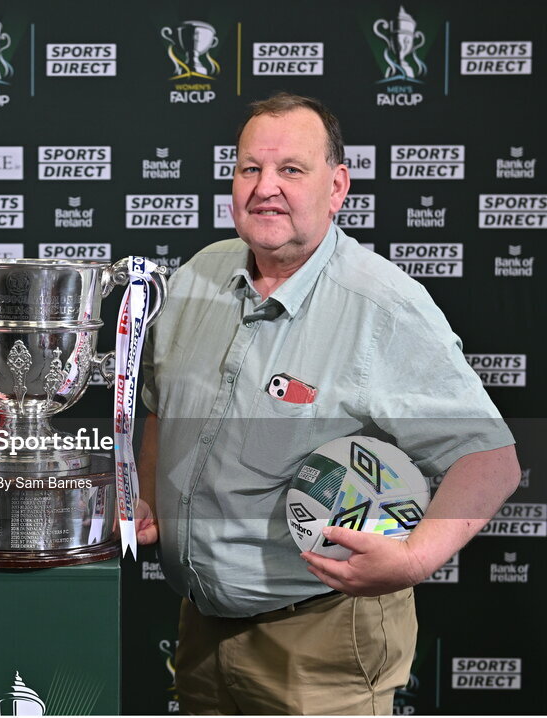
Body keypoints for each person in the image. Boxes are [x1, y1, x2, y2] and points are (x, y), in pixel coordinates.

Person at [134, 94, 520, 715]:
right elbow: (160, 405)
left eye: (292, 170)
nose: (266, 189)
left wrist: (414, 559)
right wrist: (148, 493)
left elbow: (490, 459)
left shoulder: (383, 308)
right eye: (249, 169)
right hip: (200, 630)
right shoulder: (195, 278)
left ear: (337, 186)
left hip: (323, 643)